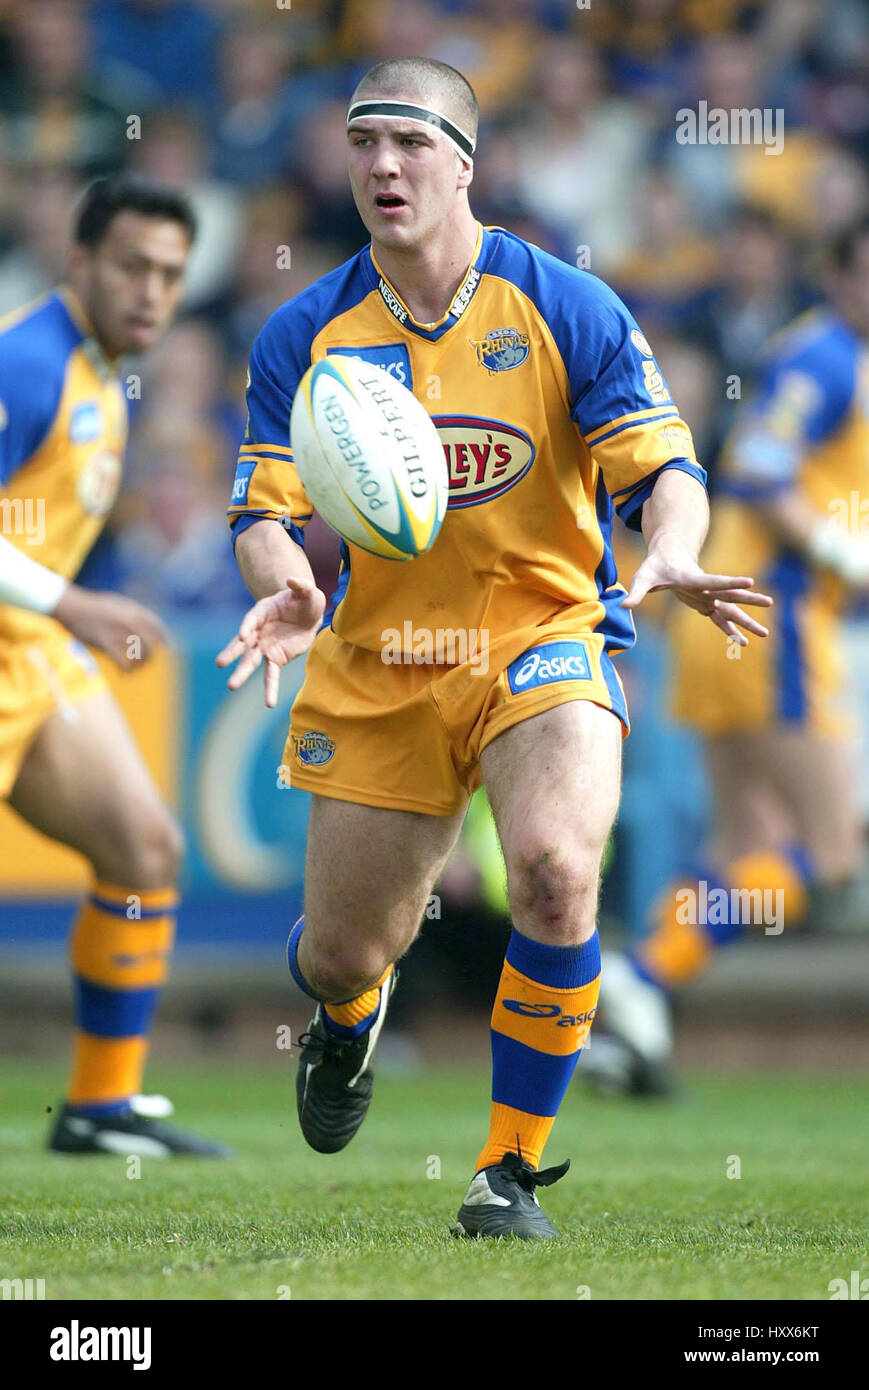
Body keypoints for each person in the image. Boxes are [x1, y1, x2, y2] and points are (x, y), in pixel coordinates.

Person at [218, 57, 770, 1238]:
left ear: (463, 162)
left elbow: (665, 469)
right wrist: (284, 587)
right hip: (377, 660)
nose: (380, 165)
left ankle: (507, 1170)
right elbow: (262, 513)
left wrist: (668, 548)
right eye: (362, 142)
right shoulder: (301, 330)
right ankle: (349, 1010)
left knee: (559, 872)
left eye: (408, 143)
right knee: (334, 952)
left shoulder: (566, 304)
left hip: (544, 632)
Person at [597, 218, 869, 1093]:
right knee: (830, 860)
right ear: (837, 276)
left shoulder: (820, 354)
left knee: (745, 845)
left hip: (720, 617)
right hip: (773, 621)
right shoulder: (827, 359)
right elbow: (755, 466)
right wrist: (837, 551)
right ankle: (639, 981)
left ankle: (632, 1005)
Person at [0, 175, 229, 1157]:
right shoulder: (26, 366)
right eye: (131, 266)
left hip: (26, 648)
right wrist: (73, 600)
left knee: (144, 847)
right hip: (30, 631)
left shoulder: (102, 376)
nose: (151, 292)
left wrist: (64, 610)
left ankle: (99, 1107)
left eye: (170, 276)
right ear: (79, 261)